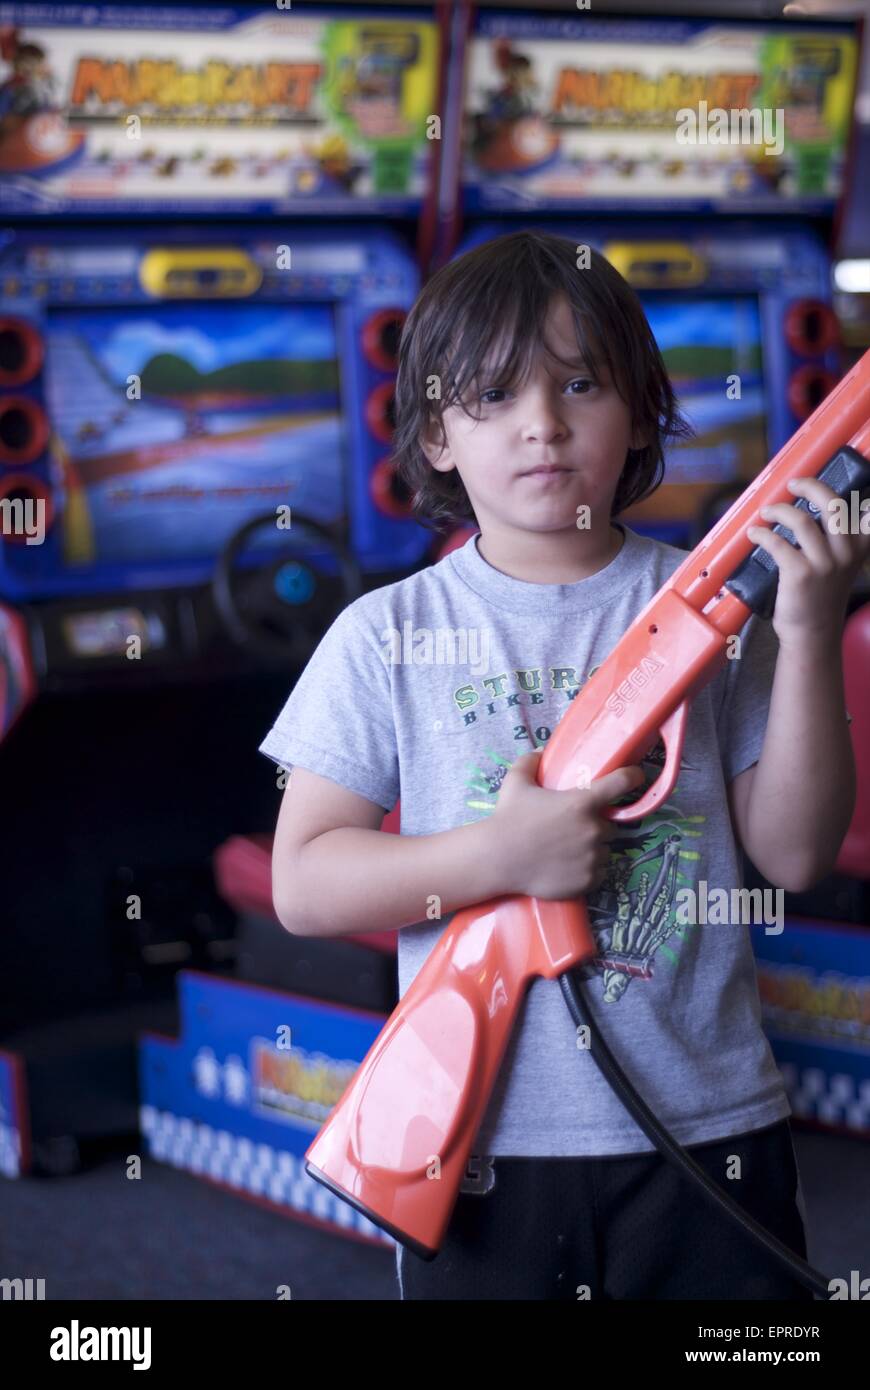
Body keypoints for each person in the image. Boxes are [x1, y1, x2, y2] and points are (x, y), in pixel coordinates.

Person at [259, 230, 865, 1300]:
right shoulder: (384, 631)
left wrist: (812, 627)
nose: (542, 424)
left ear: (638, 408)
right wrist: (503, 852)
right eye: (492, 395)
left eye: (580, 383)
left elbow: (793, 851)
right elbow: (305, 884)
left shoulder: (716, 608)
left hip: (710, 1127)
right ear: (436, 432)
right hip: (485, 1147)